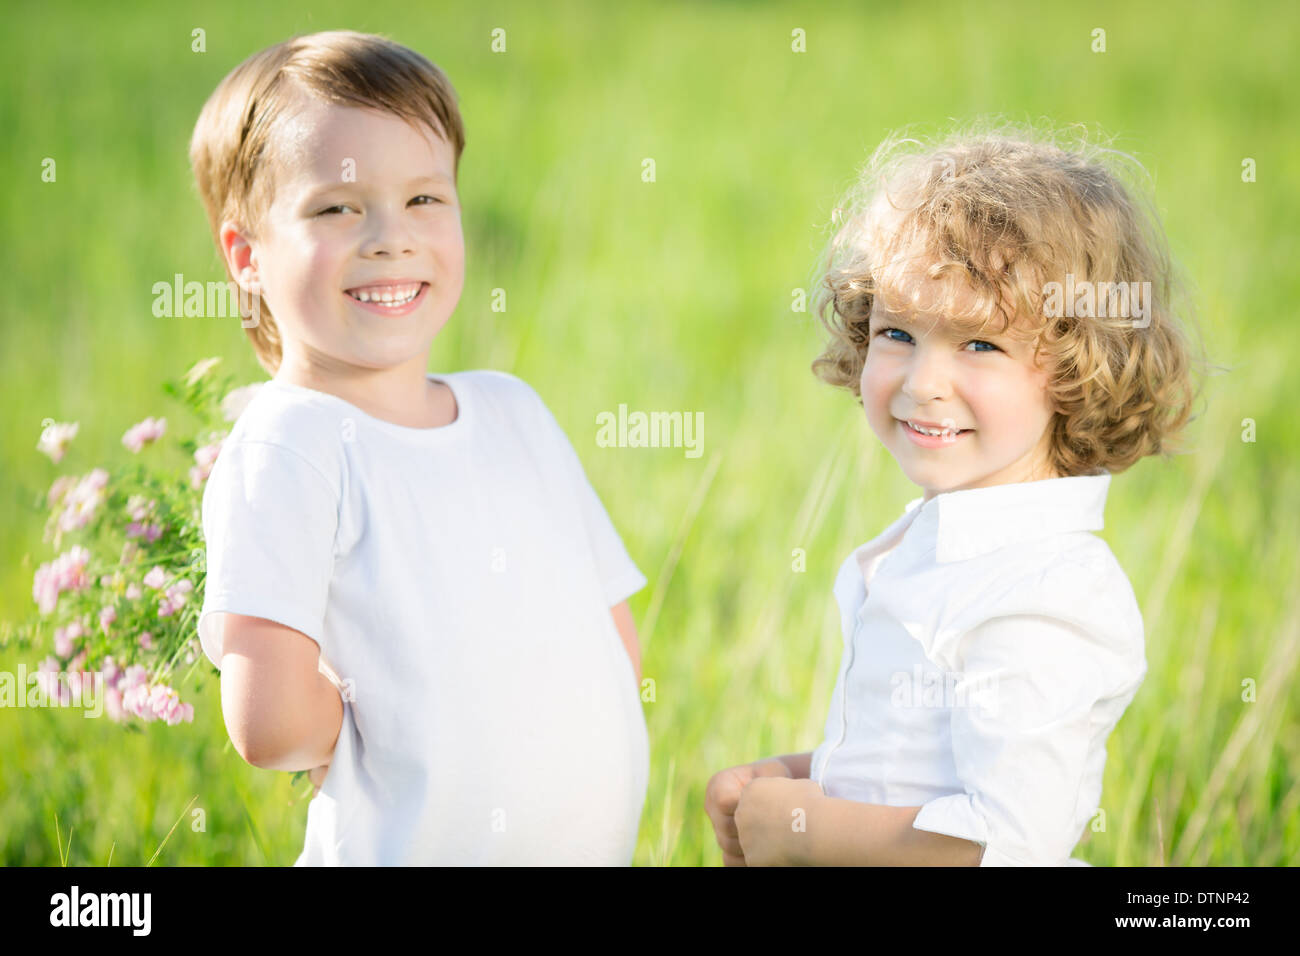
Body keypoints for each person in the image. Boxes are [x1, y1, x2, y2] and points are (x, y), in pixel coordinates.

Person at [189, 30, 649, 865]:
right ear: (246, 255)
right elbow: (269, 720)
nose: (390, 238)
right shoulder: (290, 443)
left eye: (425, 200)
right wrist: (385, 727)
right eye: (337, 207)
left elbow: (616, 640)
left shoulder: (511, 411)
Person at [706, 122, 1210, 866]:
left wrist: (804, 829)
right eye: (897, 333)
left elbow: (1005, 840)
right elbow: (920, 763)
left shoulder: (1042, 592)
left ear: (1077, 368)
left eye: (980, 344)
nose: (921, 382)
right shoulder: (944, 547)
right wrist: (796, 779)